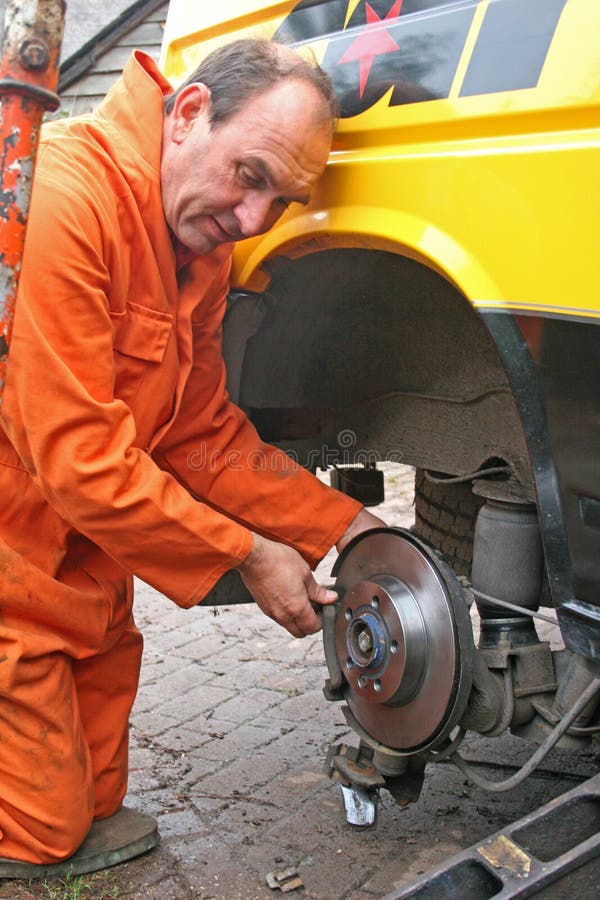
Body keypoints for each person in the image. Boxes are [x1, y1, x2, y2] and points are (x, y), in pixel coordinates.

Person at [0, 39, 385, 870]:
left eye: (282, 203)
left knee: (98, 800)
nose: (253, 223)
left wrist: (343, 528)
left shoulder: (198, 245)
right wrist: (246, 553)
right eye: (251, 177)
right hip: (10, 555)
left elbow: (197, 429)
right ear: (188, 112)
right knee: (43, 833)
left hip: (80, 562)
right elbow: (81, 460)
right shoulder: (63, 196)